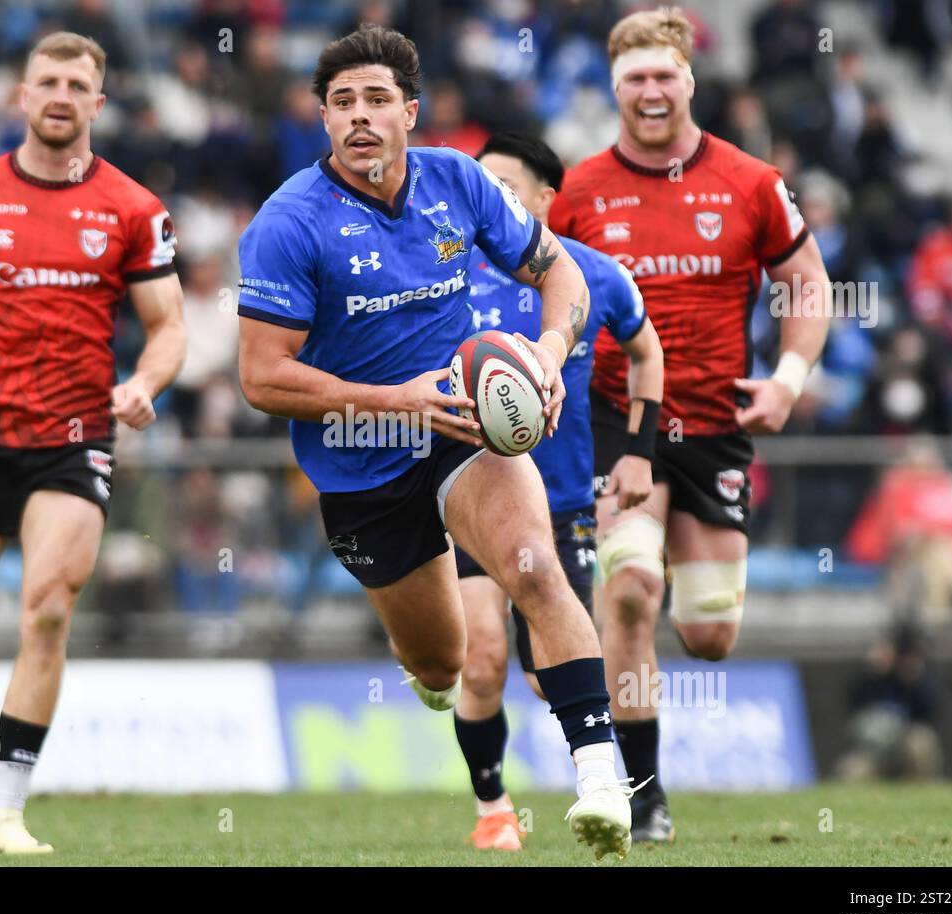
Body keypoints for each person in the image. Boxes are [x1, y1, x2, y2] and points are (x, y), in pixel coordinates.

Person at [237, 25, 647, 859]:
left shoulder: (458, 181)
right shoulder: (288, 224)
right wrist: (397, 400)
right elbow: (262, 378)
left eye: (377, 100)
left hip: (466, 431)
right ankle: (435, 678)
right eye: (342, 102)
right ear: (322, 119)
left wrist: (549, 351)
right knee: (439, 661)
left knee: (536, 569)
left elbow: (559, 272)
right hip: (360, 461)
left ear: (410, 113)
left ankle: (603, 779)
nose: (359, 116)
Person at [0, 32, 186, 854]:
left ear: (98, 102)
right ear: (20, 97)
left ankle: (6, 811)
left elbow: (168, 326)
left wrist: (143, 385)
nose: (60, 94)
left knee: (50, 608)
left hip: (74, 435)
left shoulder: (133, 207)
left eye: (77, 83)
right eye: (46, 80)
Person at [549, 6, 830, 843]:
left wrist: (787, 378)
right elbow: (545, 291)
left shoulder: (749, 181)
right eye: (633, 78)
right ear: (614, 89)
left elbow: (807, 283)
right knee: (631, 593)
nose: (650, 91)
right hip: (616, 419)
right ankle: (642, 795)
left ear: (690, 80)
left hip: (715, 422)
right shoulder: (579, 192)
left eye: (663, 75)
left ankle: (656, 570)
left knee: (707, 635)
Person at [453, 132, 663, 851]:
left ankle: (632, 786)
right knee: (479, 659)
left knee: (548, 679)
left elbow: (647, 351)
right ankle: (493, 810)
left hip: (564, 500)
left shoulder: (595, 276)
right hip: (469, 493)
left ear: (545, 199)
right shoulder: (448, 275)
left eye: (504, 187)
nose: (486, 201)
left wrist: (639, 451)